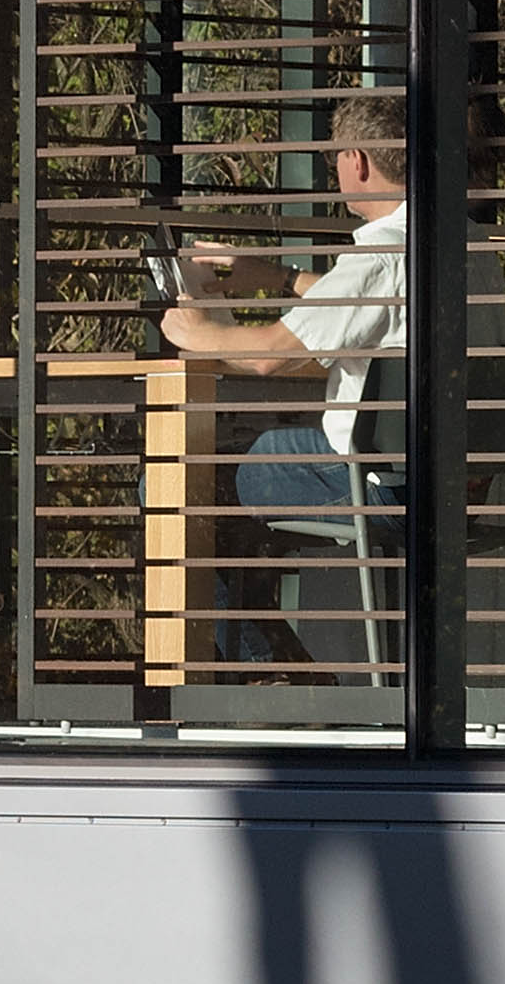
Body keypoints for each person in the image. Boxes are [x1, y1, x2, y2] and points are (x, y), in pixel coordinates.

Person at [158, 86, 407, 679]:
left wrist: (197, 329)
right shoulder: (448, 250)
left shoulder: (377, 261)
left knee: (188, 482)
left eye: (334, 160)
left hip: (376, 481)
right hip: (458, 483)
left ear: (358, 163)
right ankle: (276, 665)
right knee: (236, 495)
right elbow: (356, 311)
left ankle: (270, 675)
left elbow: (273, 357)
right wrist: (275, 277)